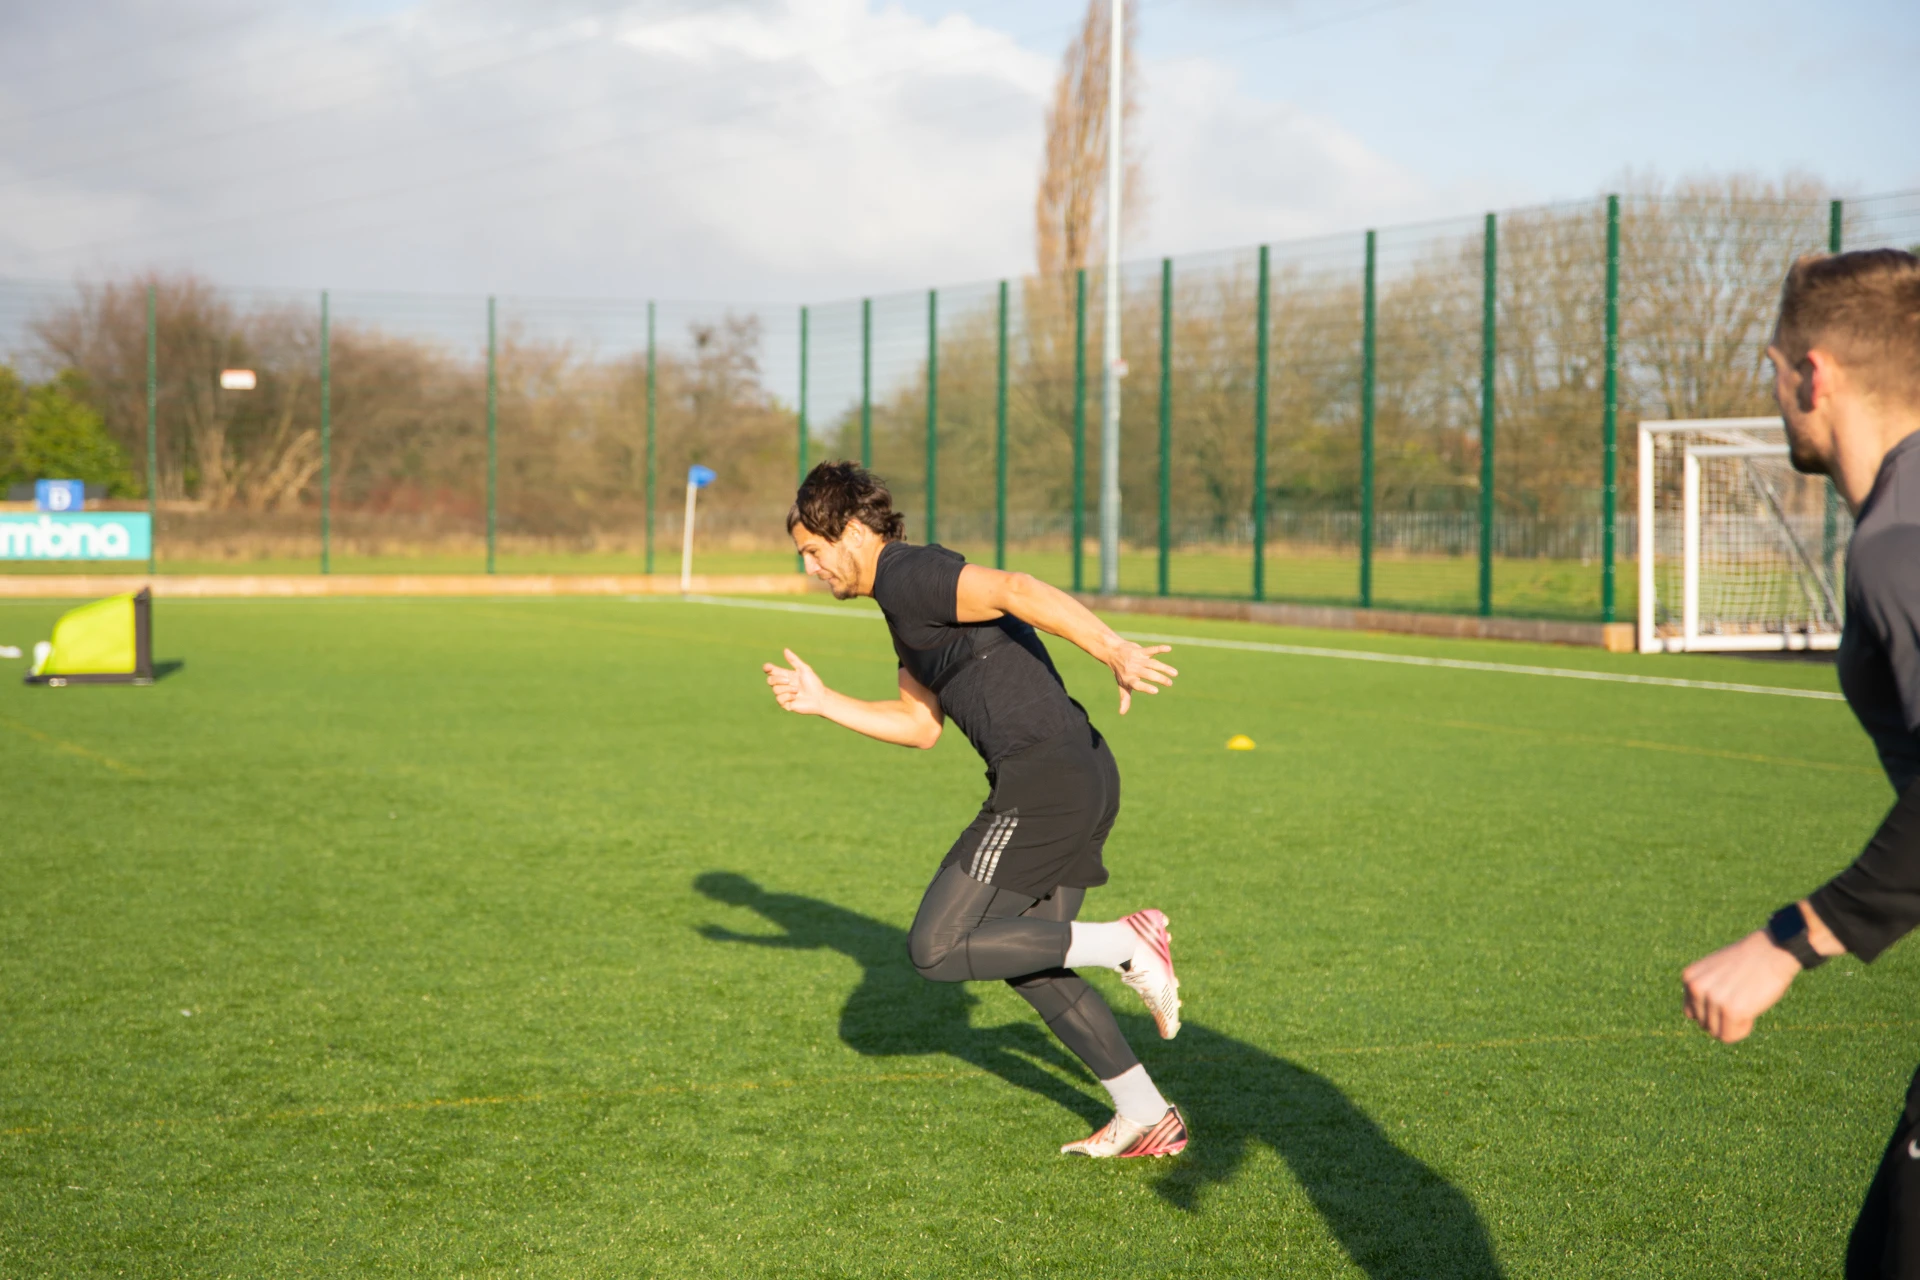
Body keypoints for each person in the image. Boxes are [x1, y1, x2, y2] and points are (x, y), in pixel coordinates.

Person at [763, 461, 1189, 1158]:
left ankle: (1127, 943)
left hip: (1043, 780)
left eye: (812, 548)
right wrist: (823, 701)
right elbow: (919, 725)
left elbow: (1015, 589)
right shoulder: (902, 608)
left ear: (851, 532)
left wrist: (1113, 648)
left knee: (936, 947)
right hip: (1080, 772)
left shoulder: (906, 574)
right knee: (1028, 958)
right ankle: (1146, 1115)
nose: (809, 566)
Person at [1682, 248, 1920, 1277]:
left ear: (1811, 376)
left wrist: (1790, 937)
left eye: (1773, 368)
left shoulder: (1900, 542)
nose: (1774, 391)